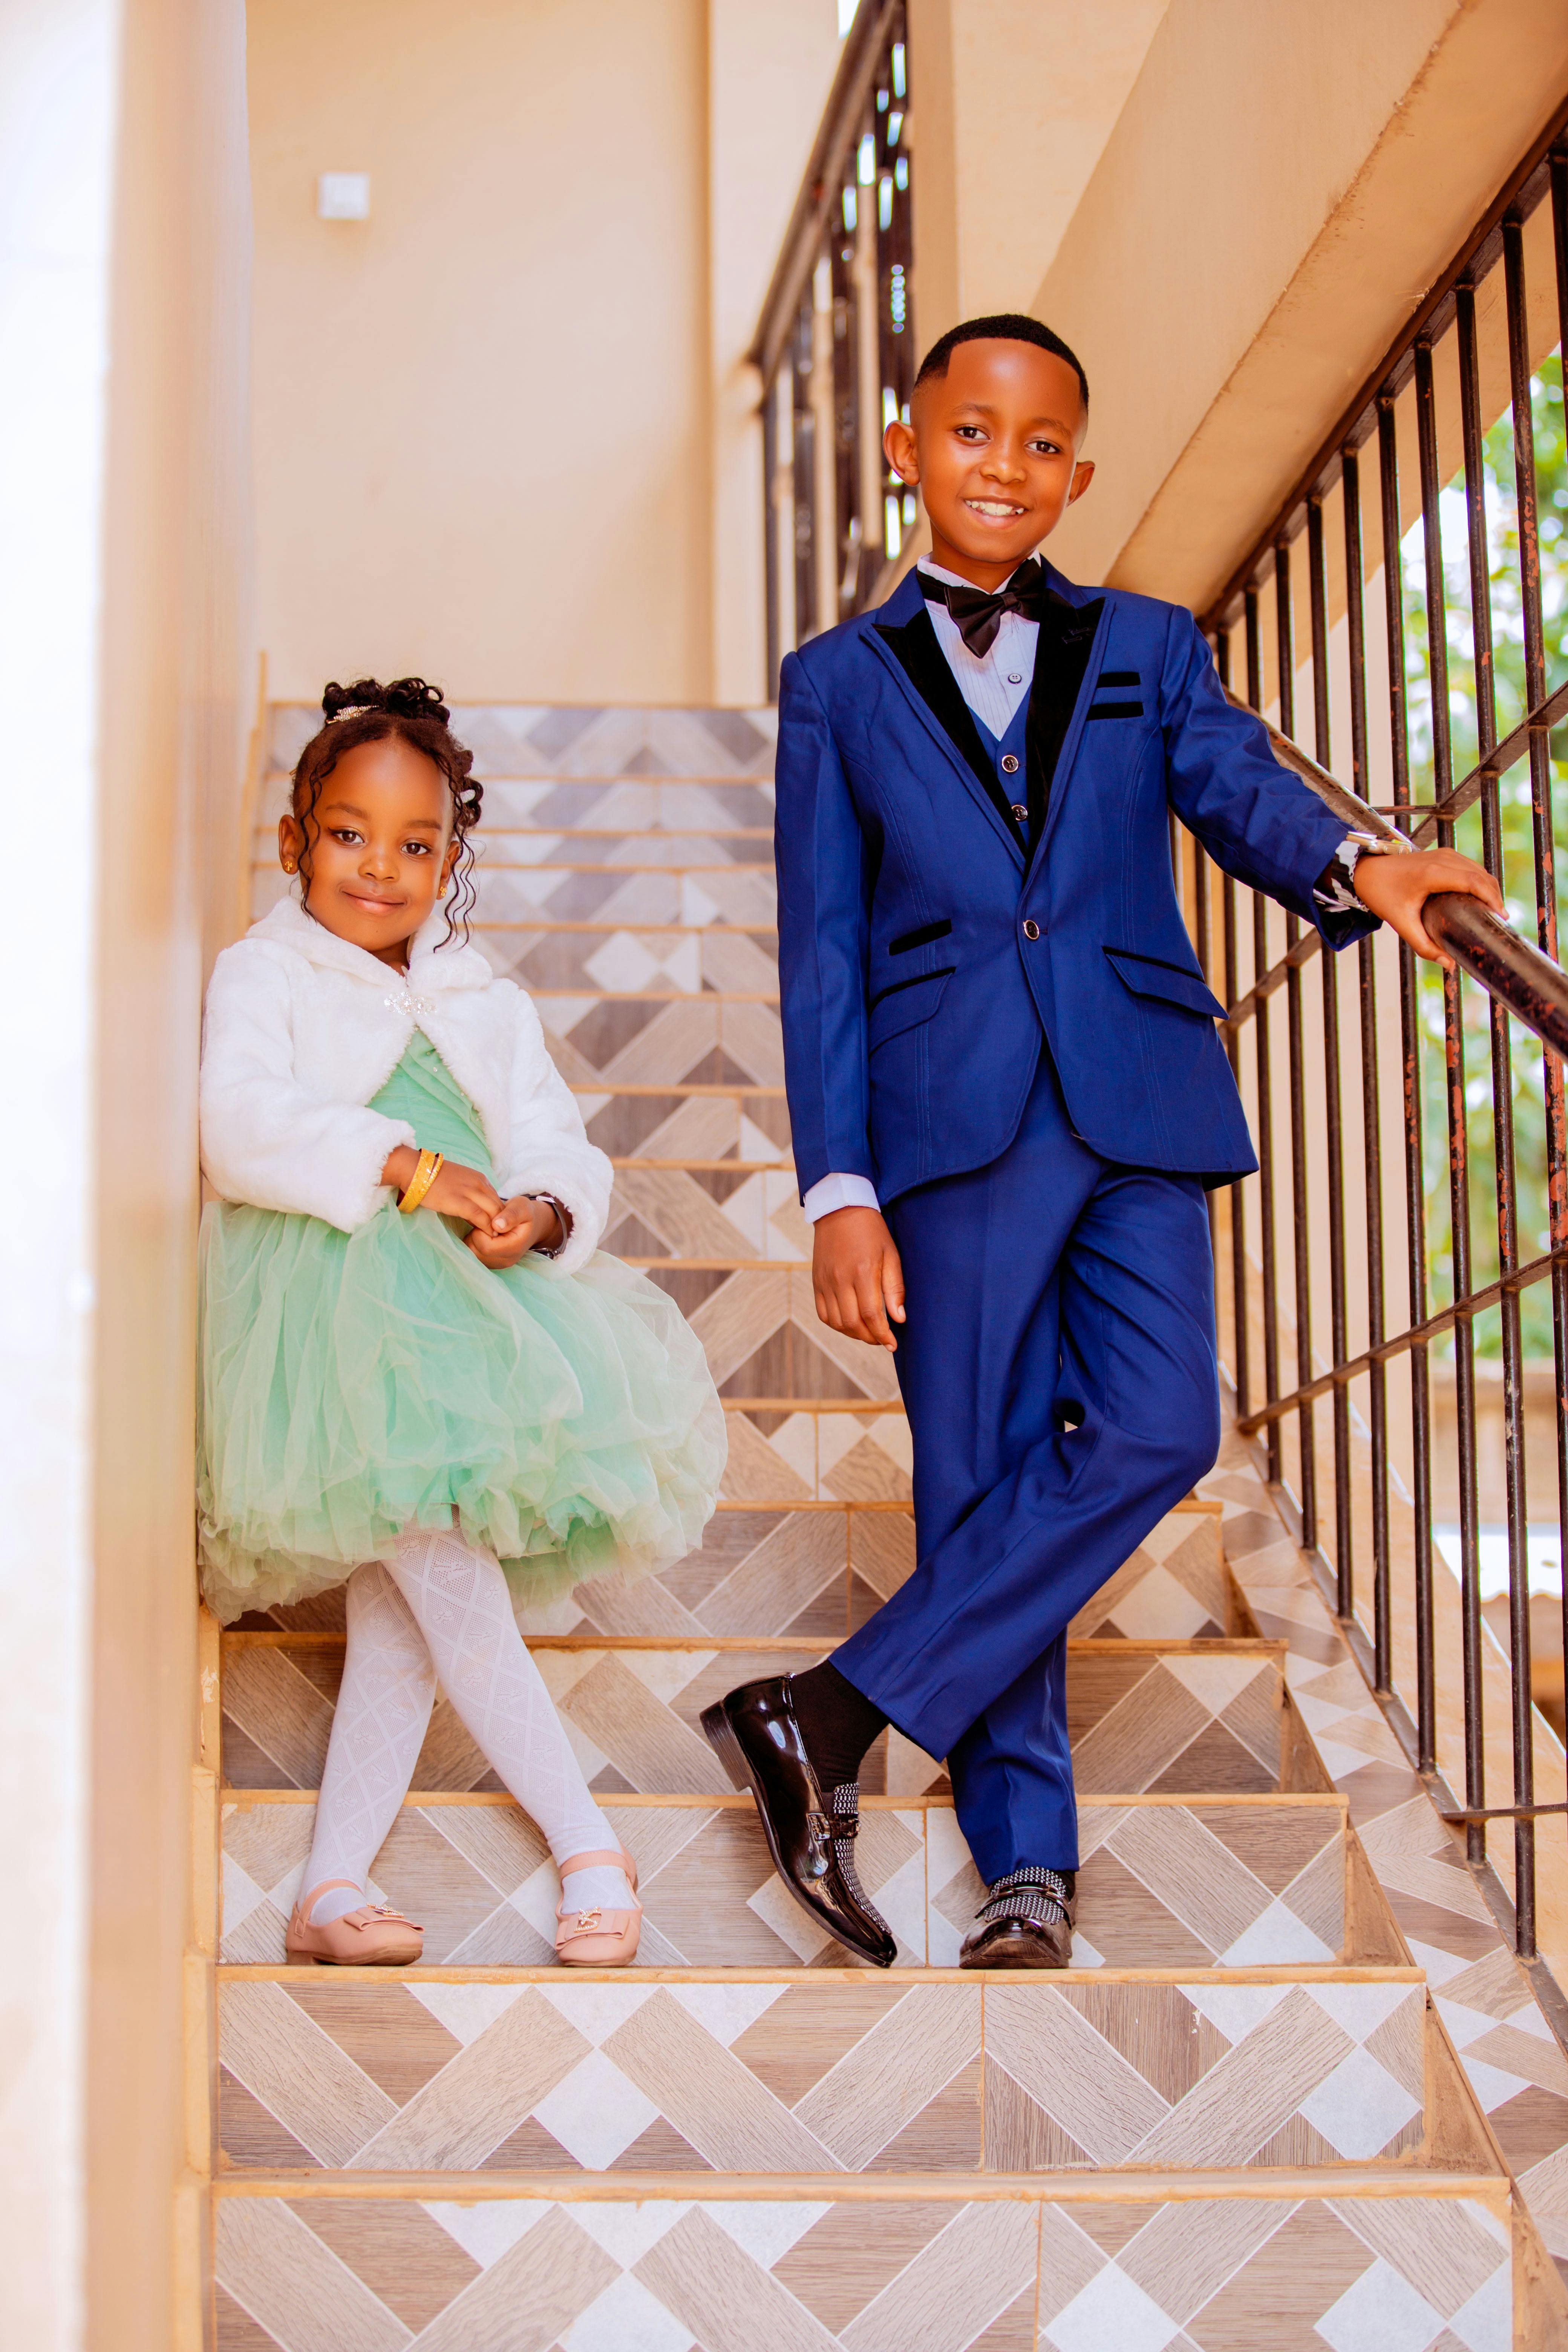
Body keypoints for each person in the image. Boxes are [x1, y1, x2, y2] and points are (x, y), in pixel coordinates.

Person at [702, 314, 1501, 1969]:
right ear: (905, 451)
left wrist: (1368, 867)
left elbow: (1234, 786)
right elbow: (824, 948)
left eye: (1040, 440)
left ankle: (828, 1718)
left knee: (1154, 1427)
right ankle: (1022, 1866)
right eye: (972, 433)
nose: (1006, 465)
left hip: (1135, 1092)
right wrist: (837, 1187)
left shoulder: (1148, 642)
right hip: (946, 1119)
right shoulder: (835, 685)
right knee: (982, 1470)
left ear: (1079, 468)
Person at [198, 676, 725, 1968]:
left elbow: (555, 1139)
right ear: (295, 840)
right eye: (349, 835)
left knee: (408, 1597)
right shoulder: (264, 970)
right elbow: (236, 1120)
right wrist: (408, 1169)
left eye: (416, 845)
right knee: (440, 1568)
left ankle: (330, 1889)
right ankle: (587, 1841)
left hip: (470, 1313)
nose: (381, 868)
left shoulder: (485, 996)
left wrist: (541, 1214)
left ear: (452, 858)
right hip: (336, 1308)